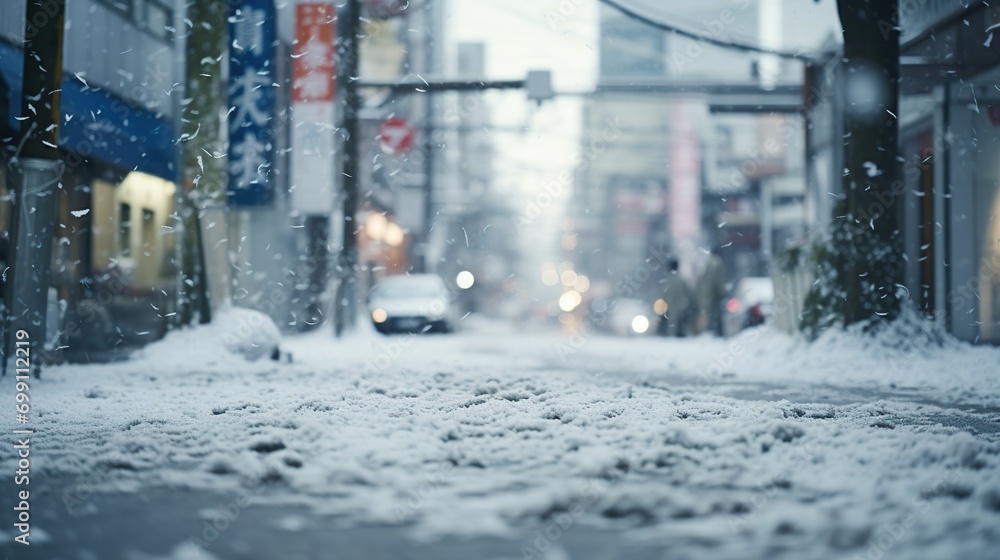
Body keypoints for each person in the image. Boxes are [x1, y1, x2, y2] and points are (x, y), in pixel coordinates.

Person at [657, 257, 697, 337]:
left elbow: (664, 295)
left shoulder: (667, 281)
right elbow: (688, 294)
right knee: (680, 327)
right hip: (681, 307)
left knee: (671, 325)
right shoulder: (681, 280)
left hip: (670, 307)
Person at [697, 246, 727, 336]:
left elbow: (701, 280)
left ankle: (710, 331)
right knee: (718, 313)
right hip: (715, 293)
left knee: (710, 313)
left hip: (707, 294)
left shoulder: (708, 263)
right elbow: (720, 280)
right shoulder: (718, 262)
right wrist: (723, 292)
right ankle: (717, 332)